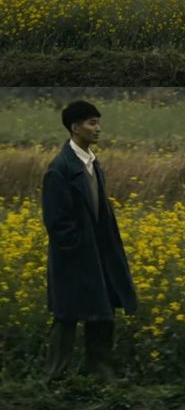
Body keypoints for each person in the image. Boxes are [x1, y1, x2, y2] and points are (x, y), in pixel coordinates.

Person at [42, 100, 138, 381]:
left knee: (103, 313)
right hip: (74, 257)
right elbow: (57, 222)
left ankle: (102, 373)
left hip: (100, 254)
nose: (98, 128)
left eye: (98, 122)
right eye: (91, 123)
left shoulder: (93, 163)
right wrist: (76, 249)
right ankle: (54, 377)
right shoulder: (59, 168)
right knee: (66, 317)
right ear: (75, 128)